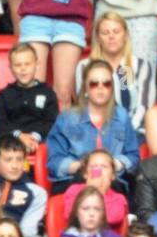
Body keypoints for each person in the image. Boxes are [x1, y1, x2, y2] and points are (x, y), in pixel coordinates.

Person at [46, 59, 141, 189]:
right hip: (75, 180)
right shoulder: (67, 118)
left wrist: (114, 164)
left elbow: (133, 156)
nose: (100, 88)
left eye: (106, 83)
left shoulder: (122, 116)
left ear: (112, 88)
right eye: (94, 84)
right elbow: (54, 162)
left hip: (112, 181)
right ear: (85, 88)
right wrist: (83, 167)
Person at [78, 10, 157, 136]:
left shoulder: (140, 66)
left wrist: (127, 129)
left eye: (116, 31)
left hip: (133, 132)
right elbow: (83, 104)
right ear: (98, 38)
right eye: (105, 32)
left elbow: (144, 106)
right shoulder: (85, 67)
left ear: (125, 35)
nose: (111, 36)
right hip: (95, 133)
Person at [0, 41, 59, 147]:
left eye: (27, 64)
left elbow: (52, 123)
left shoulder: (48, 93)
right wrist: (19, 136)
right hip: (12, 143)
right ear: (10, 67)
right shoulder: (4, 95)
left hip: (41, 142)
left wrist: (34, 137)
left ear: (37, 64)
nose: (23, 69)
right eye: (18, 65)